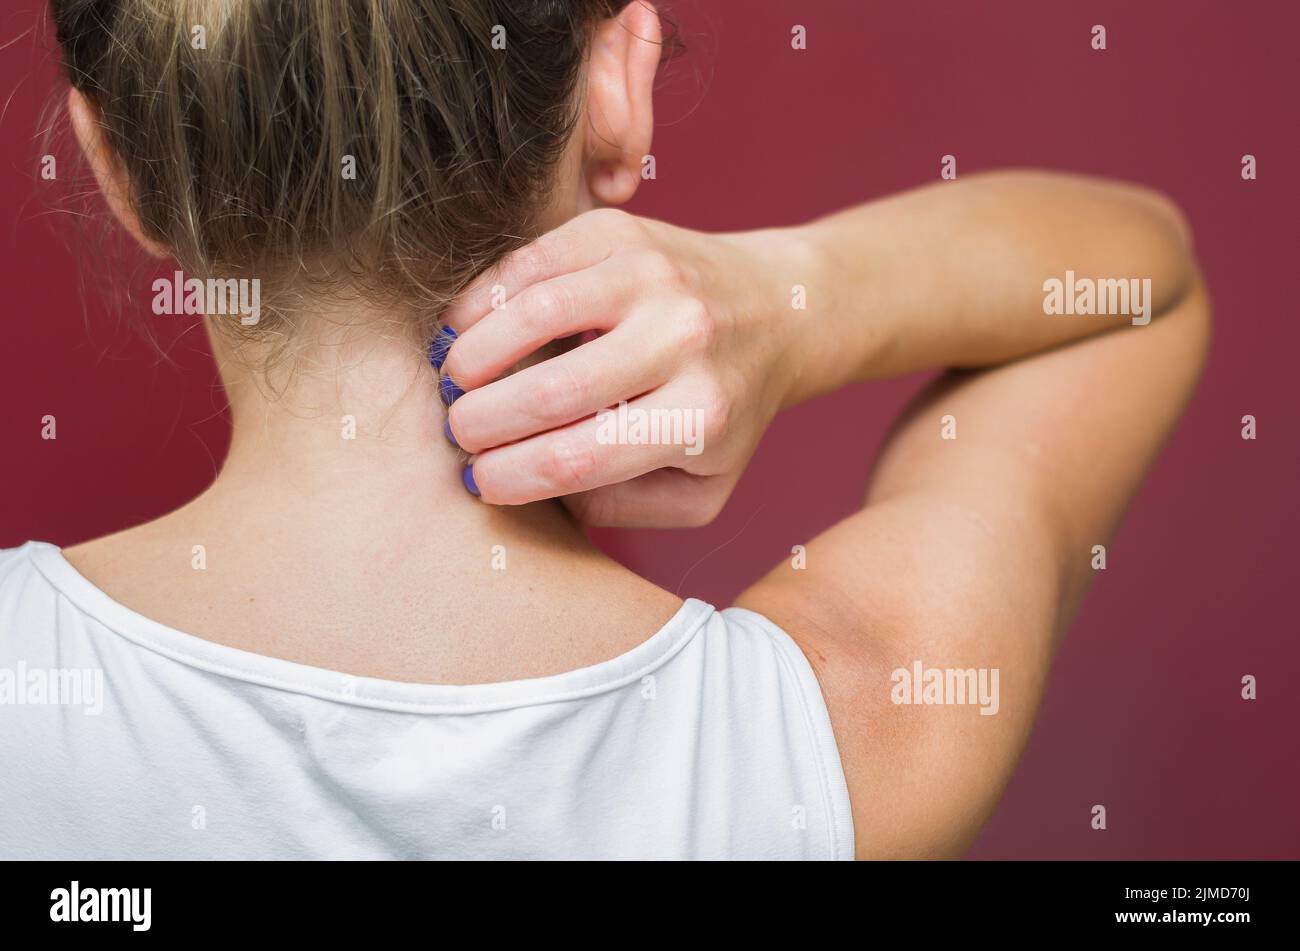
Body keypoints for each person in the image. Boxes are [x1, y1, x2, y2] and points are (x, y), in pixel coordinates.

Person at [0, 0, 1209, 859]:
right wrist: (797, 297)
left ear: (121, 166)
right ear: (617, 86)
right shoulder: (836, 734)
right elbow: (1146, 284)